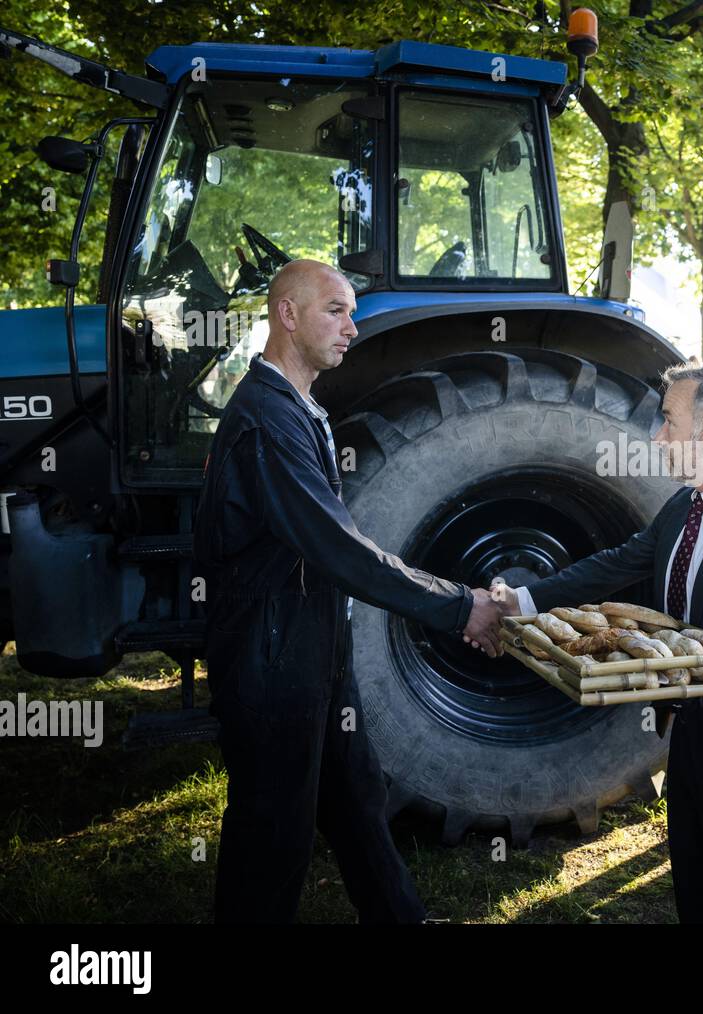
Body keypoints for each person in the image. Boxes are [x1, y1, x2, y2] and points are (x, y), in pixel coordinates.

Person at [194, 260, 503, 924]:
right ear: (287, 314)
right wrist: (461, 606)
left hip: (311, 652)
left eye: (351, 312)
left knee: (356, 799)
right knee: (272, 834)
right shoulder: (265, 419)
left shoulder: (298, 408)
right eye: (335, 310)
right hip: (272, 663)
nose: (352, 328)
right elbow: (336, 549)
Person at [494, 365, 703, 921]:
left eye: (669, 421)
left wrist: (640, 674)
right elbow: (620, 562)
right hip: (693, 749)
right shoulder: (688, 504)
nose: (657, 437)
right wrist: (524, 601)